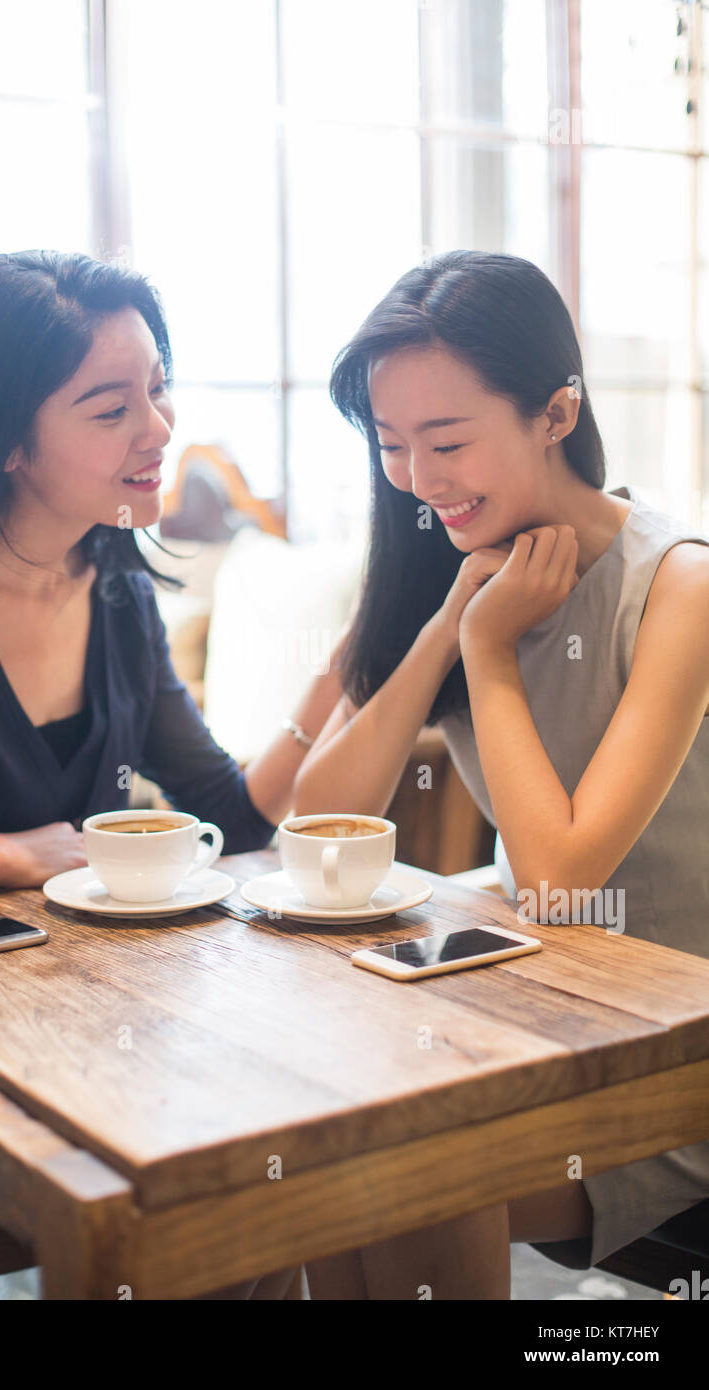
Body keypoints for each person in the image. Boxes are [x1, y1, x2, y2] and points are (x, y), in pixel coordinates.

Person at [0, 250, 346, 1297]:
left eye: (157, 389)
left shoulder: (114, 583)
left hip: (93, 1016)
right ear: (6, 438)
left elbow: (227, 812)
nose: (159, 429)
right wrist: (4, 855)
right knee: (207, 1161)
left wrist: (347, 671)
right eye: (110, 407)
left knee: (295, 1132)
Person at [293, 249, 709, 1298]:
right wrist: (444, 624)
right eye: (391, 446)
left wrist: (488, 653)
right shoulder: (444, 564)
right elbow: (320, 817)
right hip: (536, 1017)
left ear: (554, 412)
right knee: (312, 1158)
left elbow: (561, 878)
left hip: (676, 1049)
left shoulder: (679, 584)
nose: (421, 482)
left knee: (415, 1180)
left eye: (446, 441)